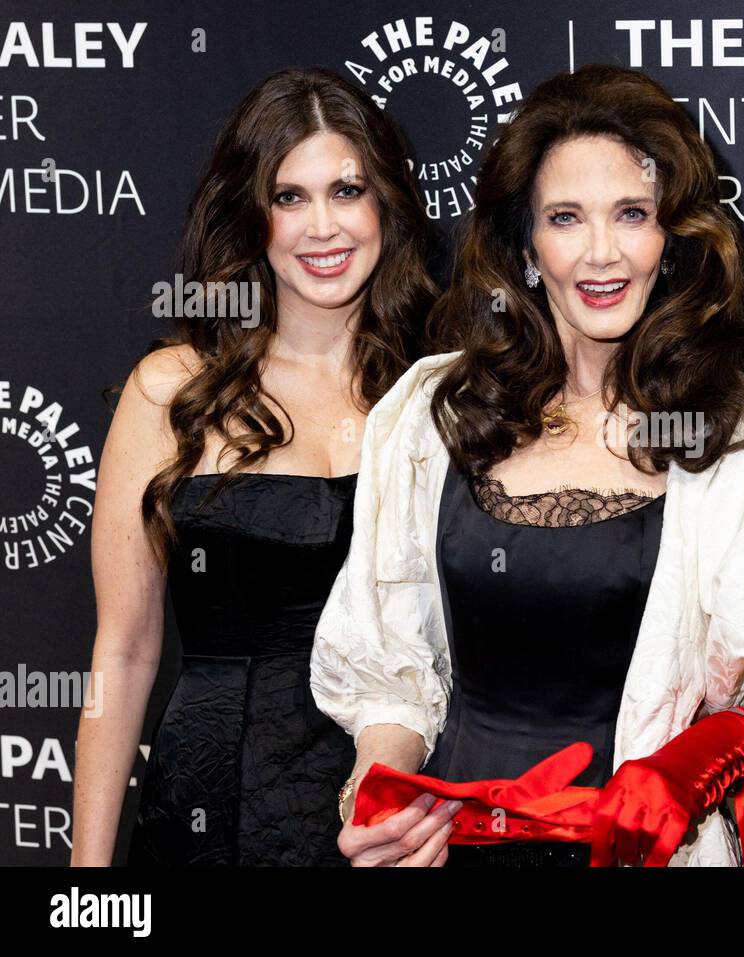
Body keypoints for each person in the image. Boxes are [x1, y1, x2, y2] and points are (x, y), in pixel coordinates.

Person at [311, 64, 744, 867]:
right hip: (454, 845)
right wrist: (378, 793)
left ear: (672, 238)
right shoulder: (432, 409)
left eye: (632, 214)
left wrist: (678, 775)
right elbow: (389, 668)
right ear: (526, 245)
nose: (601, 254)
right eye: (566, 218)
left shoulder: (742, 429)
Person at [70, 67, 439, 866]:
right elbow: (125, 651)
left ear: (387, 204)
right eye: (289, 197)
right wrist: (86, 882)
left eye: (347, 190)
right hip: (211, 799)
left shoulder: (440, 393)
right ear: (251, 214)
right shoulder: (173, 388)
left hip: (397, 813)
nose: (323, 227)